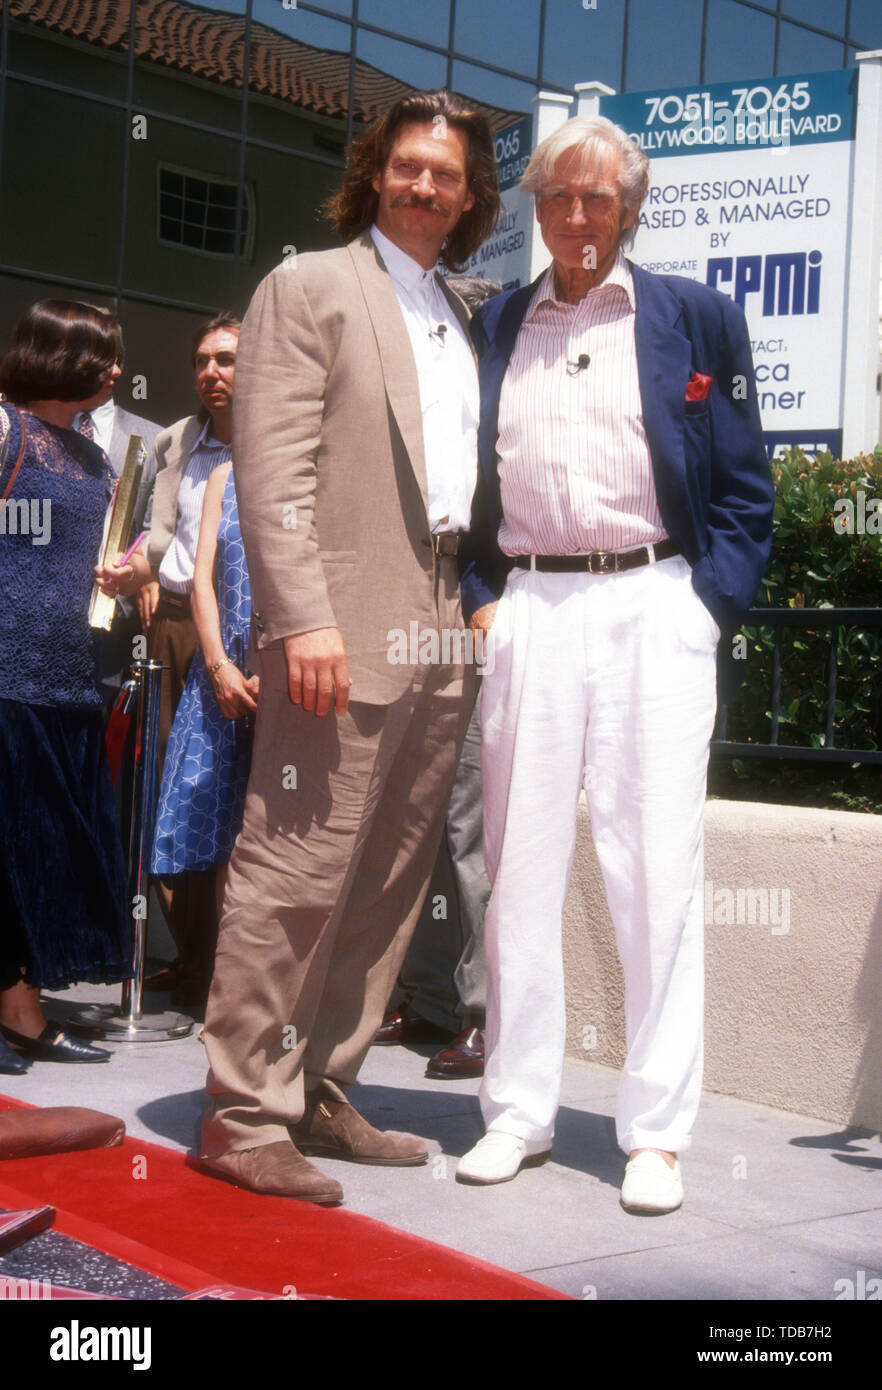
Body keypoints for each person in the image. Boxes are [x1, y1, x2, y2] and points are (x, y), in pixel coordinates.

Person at [456, 116, 775, 1212]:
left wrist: (704, 606)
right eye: (559, 198)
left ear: (630, 209)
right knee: (520, 867)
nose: (579, 217)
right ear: (537, 210)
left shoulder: (696, 318)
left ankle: (656, 1131)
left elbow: (743, 488)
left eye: (599, 199)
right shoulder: (501, 319)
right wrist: (481, 601)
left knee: (656, 873)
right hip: (533, 605)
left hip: (654, 602)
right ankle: (518, 1111)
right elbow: (469, 483)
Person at [199, 89, 500, 1204]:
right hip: (340, 618)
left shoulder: (464, 316)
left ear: (473, 198)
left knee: (385, 881)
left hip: (439, 628)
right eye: (409, 167)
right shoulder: (311, 285)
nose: (427, 186)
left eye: (449, 175)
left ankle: (322, 1083)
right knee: (297, 871)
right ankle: (242, 1108)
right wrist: (300, 616)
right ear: (378, 173)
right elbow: (274, 471)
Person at [0, 300, 149, 1069]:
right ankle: (18, 1011)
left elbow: (106, 566)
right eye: (102, 355)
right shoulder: (6, 434)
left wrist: (129, 574)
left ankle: (22, 999)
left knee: (45, 848)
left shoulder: (98, 459)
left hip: (66, 680)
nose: (117, 370)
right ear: (55, 355)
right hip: (6, 679)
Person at [374, 274, 501, 1081]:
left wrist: (486, 603)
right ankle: (423, 995)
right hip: (403, 605)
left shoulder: (500, 404)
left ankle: (486, 1018)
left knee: (469, 824)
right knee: (407, 814)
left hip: (482, 618)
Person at [136, 313, 240, 1009]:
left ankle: (232, 972)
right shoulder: (176, 440)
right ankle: (188, 957)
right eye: (203, 360)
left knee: (237, 798)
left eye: (228, 359)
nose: (211, 372)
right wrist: (144, 569)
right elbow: (152, 529)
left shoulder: (282, 445)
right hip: (173, 621)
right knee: (170, 790)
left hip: (243, 630)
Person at [150, 459, 257, 920]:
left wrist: (272, 665)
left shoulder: (328, 468)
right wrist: (219, 666)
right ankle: (221, 982)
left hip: (289, 674)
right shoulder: (224, 476)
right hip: (223, 673)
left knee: (269, 840)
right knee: (224, 845)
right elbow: (202, 582)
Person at [74, 311, 163, 711]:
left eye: (108, 354)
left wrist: (132, 580)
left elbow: (155, 533)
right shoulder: (26, 431)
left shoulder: (155, 440)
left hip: (110, 643)